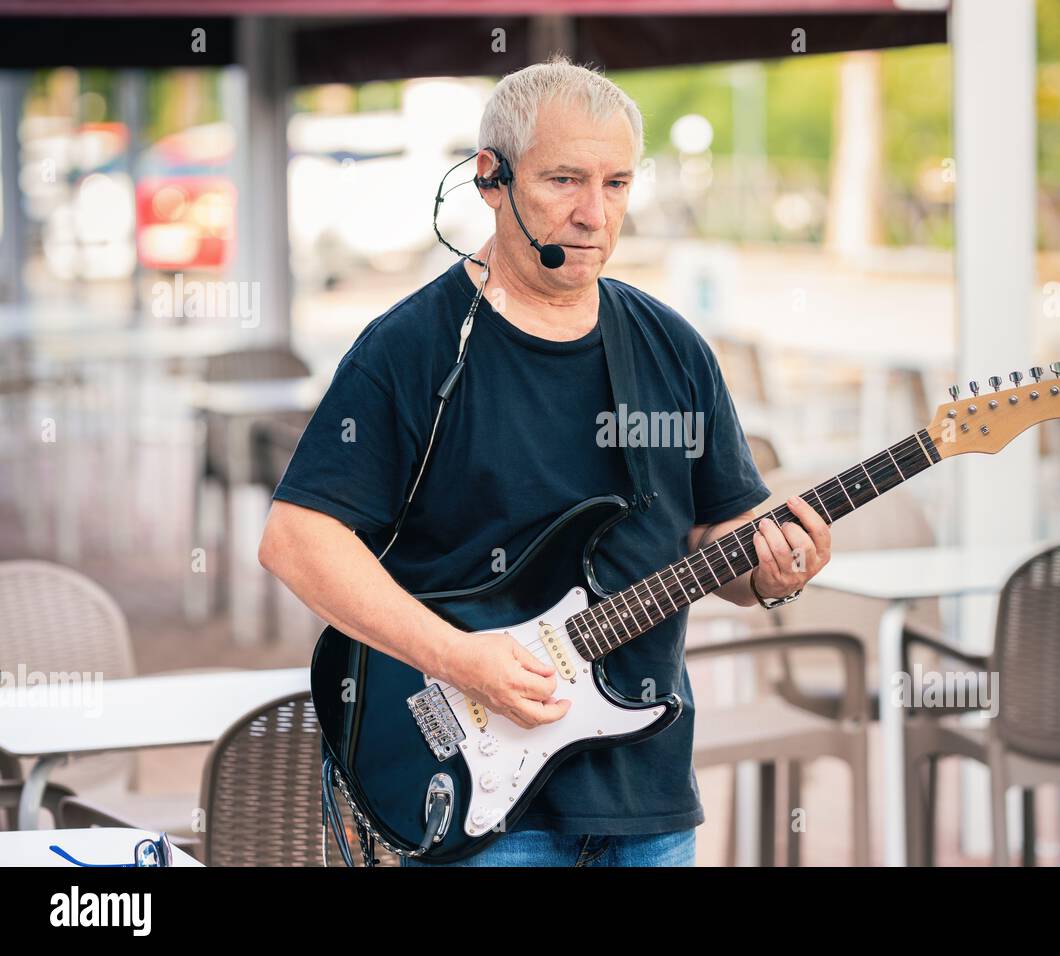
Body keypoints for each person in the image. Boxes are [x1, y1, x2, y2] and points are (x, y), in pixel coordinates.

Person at [258, 55, 833, 867]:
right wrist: (457, 657)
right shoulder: (411, 348)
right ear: (491, 180)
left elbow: (718, 539)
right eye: (565, 180)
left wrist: (773, 569)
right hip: (481, 802)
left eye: (618, 184)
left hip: (650, 794)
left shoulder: (674, 351)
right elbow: (297, 539)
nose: (595, 215)